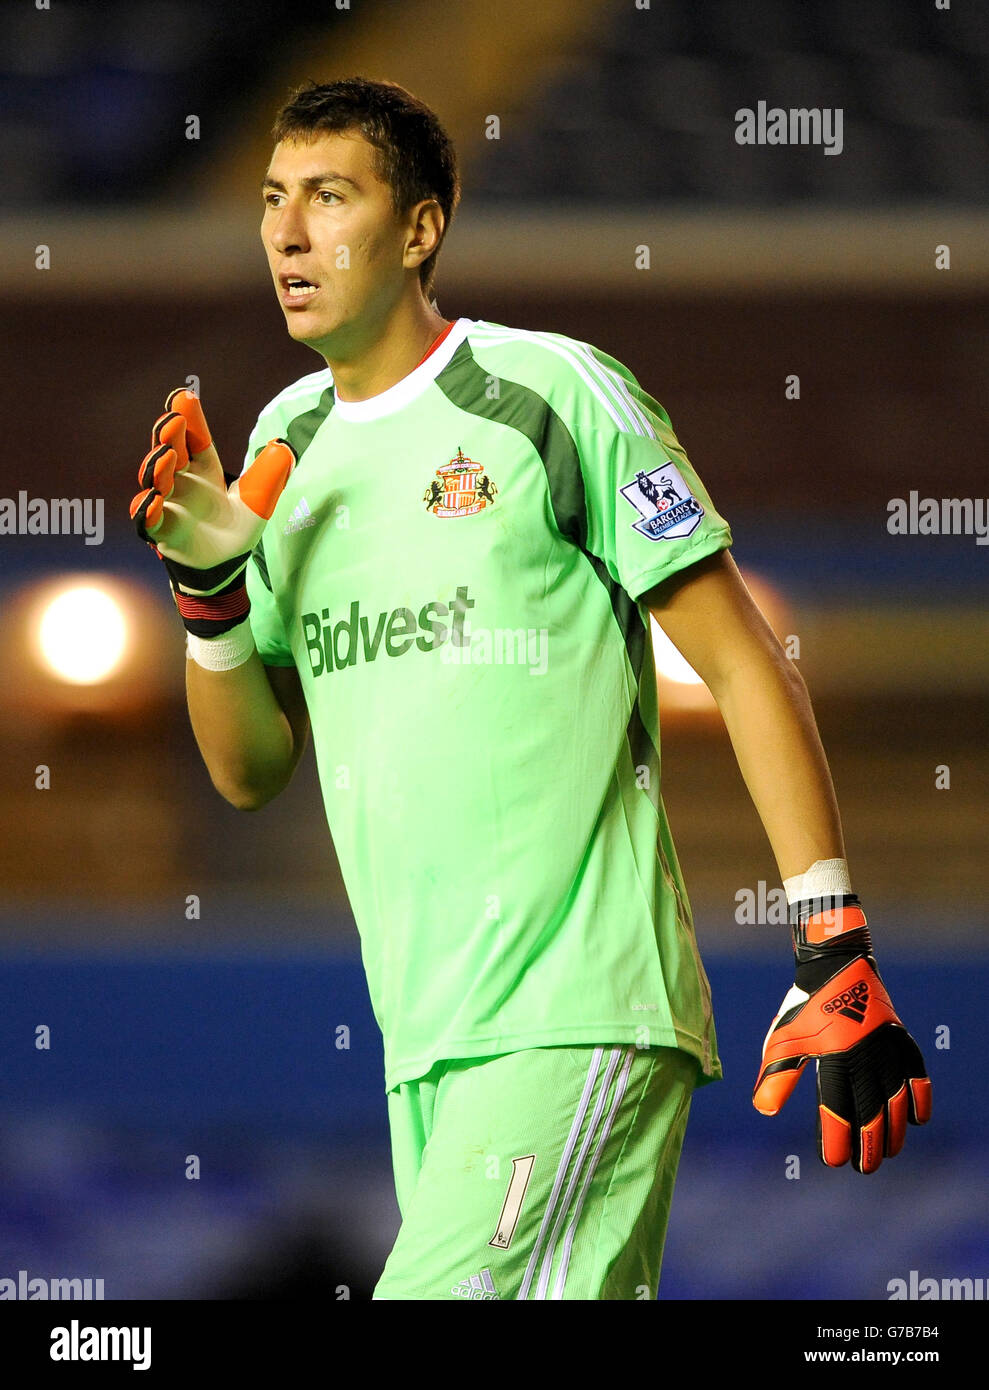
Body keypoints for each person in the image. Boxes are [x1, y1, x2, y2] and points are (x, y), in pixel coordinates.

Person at [128, 77, 932, 1301]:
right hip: (427, 1048)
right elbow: (247, 773)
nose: (286, 233)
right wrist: (208, 595)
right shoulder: (284, 441)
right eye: (272, 200)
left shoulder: (551, 395)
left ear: (417, 230)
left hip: (574, 1009)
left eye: (329, 197)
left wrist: (831, 939)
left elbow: (738, 657)